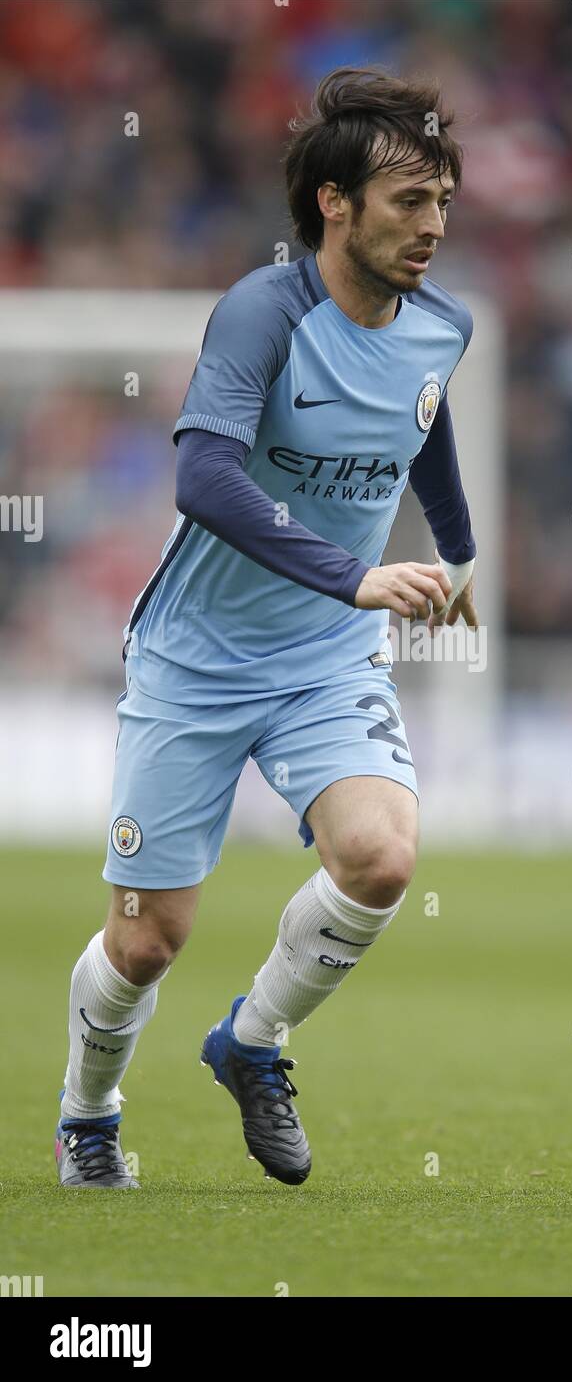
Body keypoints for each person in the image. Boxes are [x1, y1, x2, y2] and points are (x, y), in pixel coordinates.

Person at [56, 65, 479, 1189]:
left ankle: (252, 1042)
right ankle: (88, 1114)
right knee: (147, 940)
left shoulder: (444, 325)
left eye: (441, 201)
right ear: (333, 203)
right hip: (194, 659)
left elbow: (421, 429)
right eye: (408, 202)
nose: (432, 226)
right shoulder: (264, 308)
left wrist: (459, 551)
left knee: (381, 857)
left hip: (323, 661)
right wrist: (351, 574)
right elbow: (202, 478)